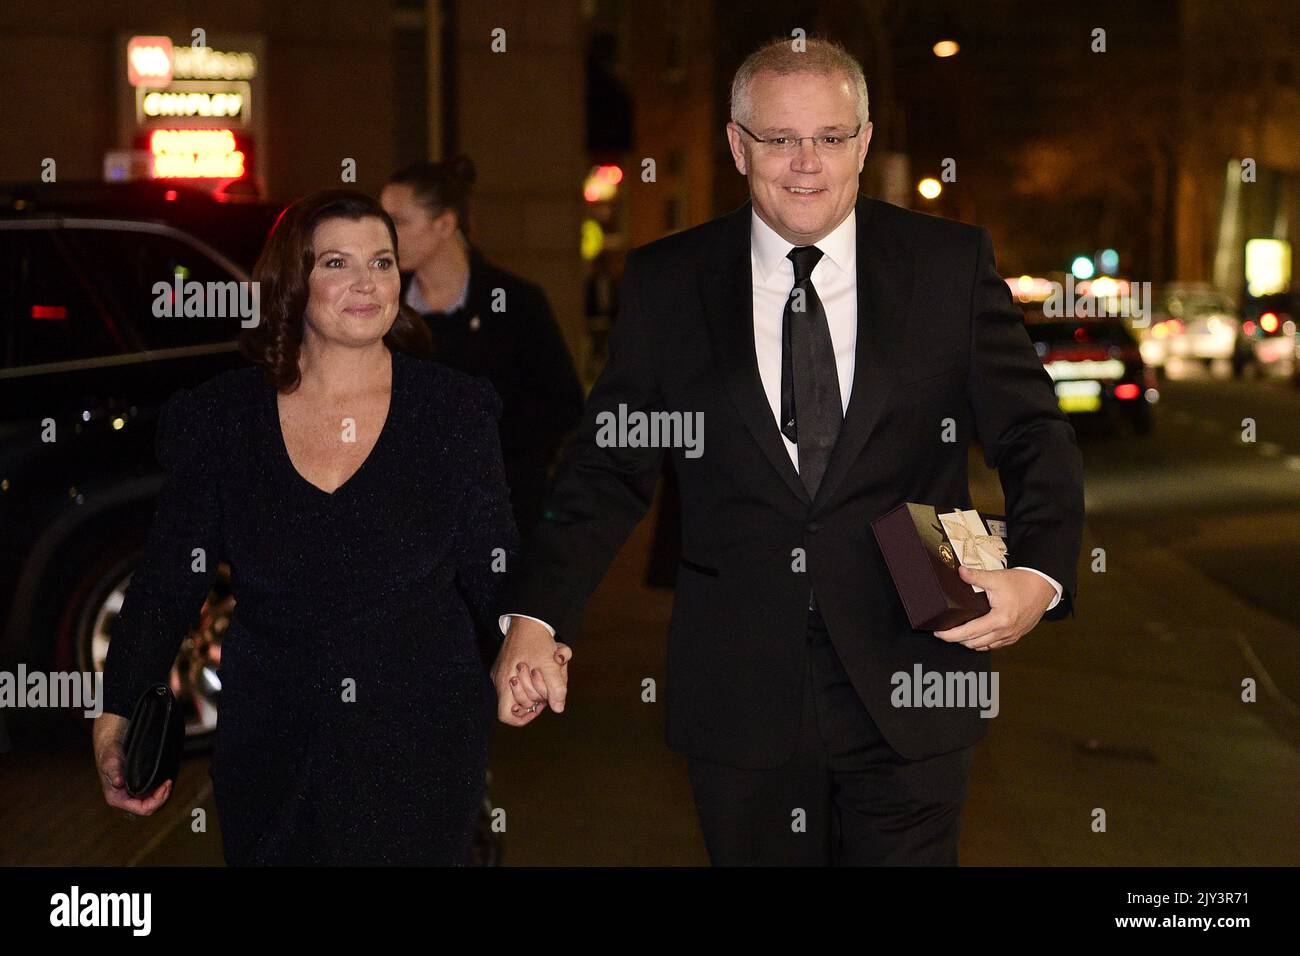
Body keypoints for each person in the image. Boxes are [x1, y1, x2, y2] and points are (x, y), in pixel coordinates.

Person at [492, 37, 1085, 865]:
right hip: (739, 678)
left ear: (865, 142)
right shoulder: (670, 281)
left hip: (919, 646)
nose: (807, 163)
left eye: (831, 137)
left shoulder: (947, 265)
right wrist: (537, 615)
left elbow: (1032, 432)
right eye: (780, 139)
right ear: (739, 145)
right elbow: (608, 466)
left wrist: (1042, 574)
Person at [93, 189, 542, 865]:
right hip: (271, 746)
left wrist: (529, 640)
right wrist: (117, 711)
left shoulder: (450, 413)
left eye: (383, 262)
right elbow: (165, 582)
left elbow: (494, 565)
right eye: (337, 262)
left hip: (420, 749)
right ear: (293, 283)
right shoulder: (224, 420)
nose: (367, 282)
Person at [381, 157, 584, 543]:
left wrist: (476, 437)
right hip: (407, 524)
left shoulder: (515, 302)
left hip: (500, 518)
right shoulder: (382, 307)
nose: (385, 234)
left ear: (445, 223)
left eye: (399, 221)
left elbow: (563, 405)